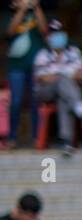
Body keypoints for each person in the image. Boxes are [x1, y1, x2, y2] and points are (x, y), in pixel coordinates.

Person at [32, 20, 82, 156]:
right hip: (45, 91)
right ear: (48, 37)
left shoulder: (73, 52)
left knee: (64, 99)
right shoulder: (43, 54)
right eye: (54, 33)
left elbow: (81, 74)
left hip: (67, 93)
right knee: (62, 81)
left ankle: (67, 142)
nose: (57, 36)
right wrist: (65, 74)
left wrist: (59, 74)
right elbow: (42, 78)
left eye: (60, 33)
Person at [4, 0, 46, 149]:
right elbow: (10, 31)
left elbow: (44, 31)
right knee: (16, 102)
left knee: (36, 101)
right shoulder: (6, 16)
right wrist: (21, 11)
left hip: (37, 66)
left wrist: (37, 7)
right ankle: (12, 138)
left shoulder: (36, 14)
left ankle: (37, 138)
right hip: (16, 66)